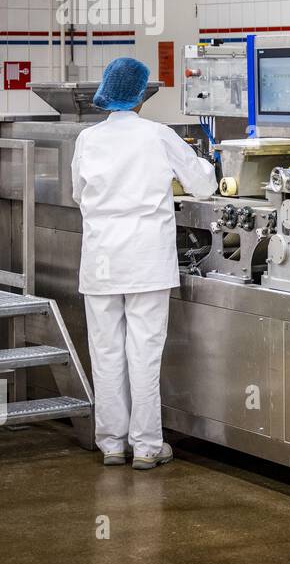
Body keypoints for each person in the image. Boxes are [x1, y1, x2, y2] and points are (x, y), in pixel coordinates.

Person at [71, 57, 217, 470]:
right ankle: (149, 446)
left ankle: (112, 444)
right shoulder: (159, 136)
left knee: (106, 353)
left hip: (101, 262)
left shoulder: (88, 139)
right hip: (146, 261)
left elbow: (78, 194)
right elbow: (203, 186)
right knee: (144, 353)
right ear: (141, 96)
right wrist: (206, 166)